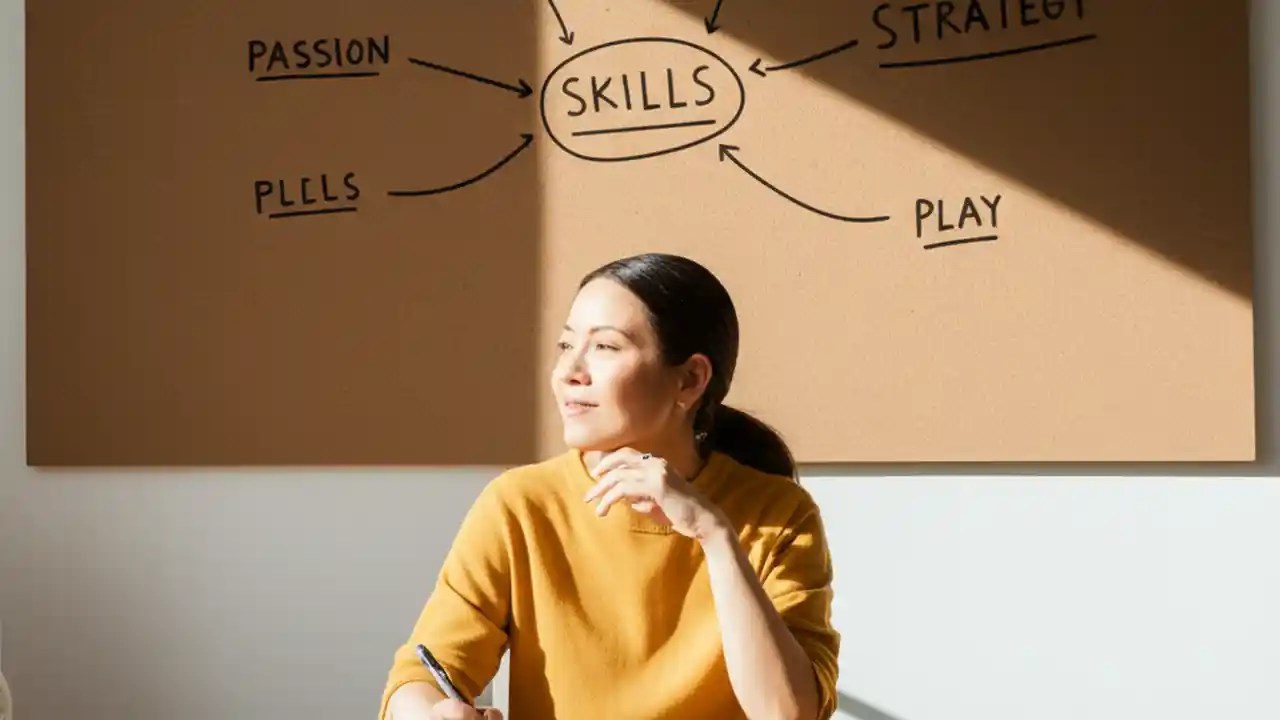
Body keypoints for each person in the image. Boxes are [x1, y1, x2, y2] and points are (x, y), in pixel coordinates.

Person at [379, 253, 840, 720]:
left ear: (690, 379)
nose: (569, 372)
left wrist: (714, 536)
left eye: (605, 347)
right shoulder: (519, 505)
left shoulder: (779, 515)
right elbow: (417, 678)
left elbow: (788, 713)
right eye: (565, 345)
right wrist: (432, 713)